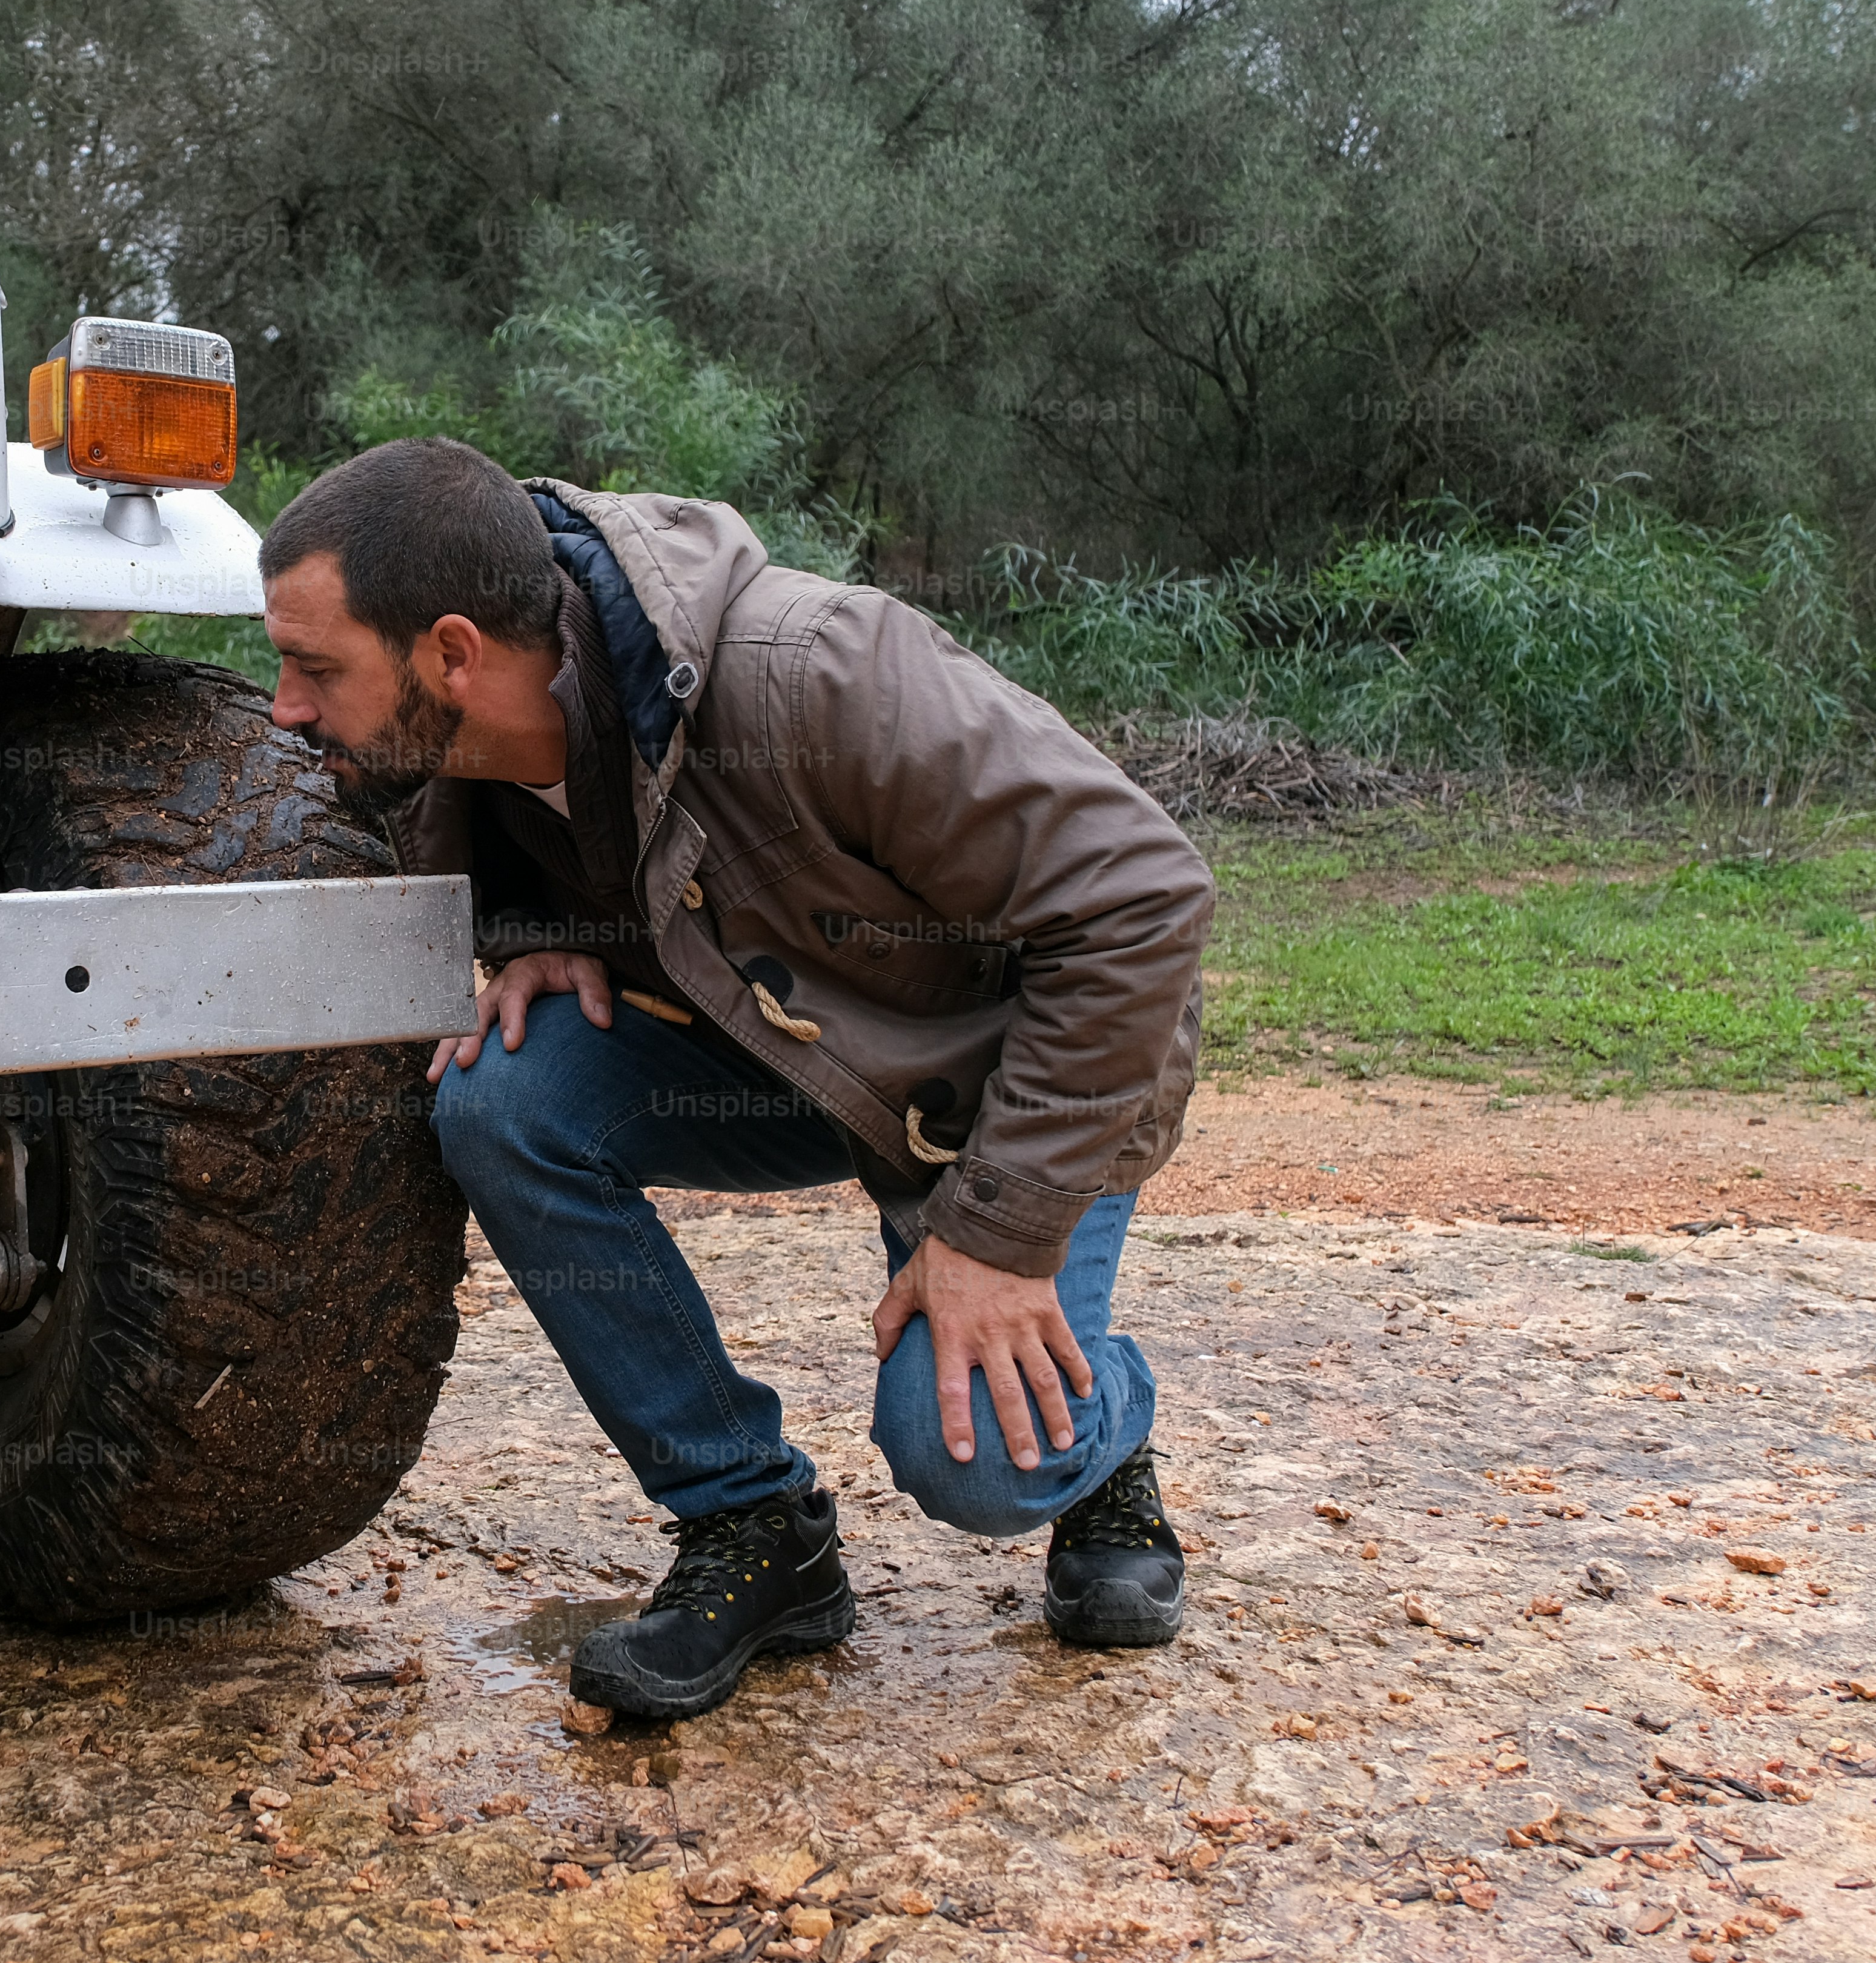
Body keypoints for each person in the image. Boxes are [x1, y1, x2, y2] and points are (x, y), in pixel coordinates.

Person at [257, 439, 1213, 1721]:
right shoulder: (435, 753)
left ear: (451, 654)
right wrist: (533, 934)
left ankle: (1105, 1438)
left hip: (1000, 1080)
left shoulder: (818, 672)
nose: (285, 707)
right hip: (780, 1055)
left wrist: (999, 1236)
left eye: (317, 668)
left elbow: (1141, 898)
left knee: (978, 1469)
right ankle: (755, 1527)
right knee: (502, 1096)